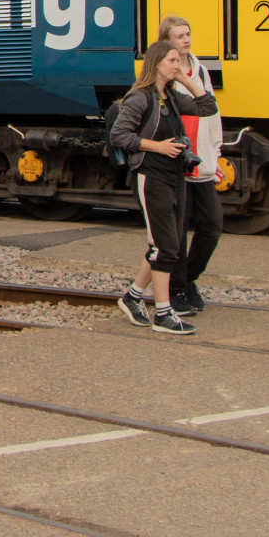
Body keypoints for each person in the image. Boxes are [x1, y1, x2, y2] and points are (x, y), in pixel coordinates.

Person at [110, 40, 219, 335]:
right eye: (172, 61)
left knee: (162, 246)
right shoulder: (140, 98)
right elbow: (120, 135)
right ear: (157, 63)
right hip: (151, 176)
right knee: (167, 248)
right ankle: (163, 313)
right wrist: (157, 147)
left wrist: (184, 79)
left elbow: (208, 106)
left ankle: (133, 298)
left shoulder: (170, 96)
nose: (177, 64)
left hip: (175, 178)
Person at [159, 14, 222, 317]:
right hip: (177, 159)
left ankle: (190, 278)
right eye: (180, 35)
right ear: (166, 41)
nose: (186, 40)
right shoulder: (163, 73)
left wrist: (217, 152)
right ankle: (176, 288)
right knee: (178, 227)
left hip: (202, 158)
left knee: (211, 224)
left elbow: (212, 111)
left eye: (188, 34)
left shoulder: (199, 69)